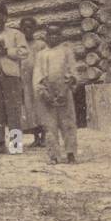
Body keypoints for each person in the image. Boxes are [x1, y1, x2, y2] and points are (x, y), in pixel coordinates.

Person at [33, 23, 80, 164]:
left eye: (56, 34)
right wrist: (43, 91)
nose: (53, 37)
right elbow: (38, 74)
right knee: (50, 126)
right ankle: (53, 155)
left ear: (61, 36)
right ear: (45, 36)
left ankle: (71, 153)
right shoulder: (41, 55)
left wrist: (68, 85)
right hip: (48, 93)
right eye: (50, 34)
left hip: (64, 92)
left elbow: (73, 71)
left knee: (68, 123)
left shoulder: (66, 52)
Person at [18, 16, 46, 149]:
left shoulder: (40, 45)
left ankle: (45, 137)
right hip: (25, 81)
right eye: (24, 28)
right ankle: (36, 137)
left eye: (30, 27)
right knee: (30, 109)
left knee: (41, 107)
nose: (27, 30)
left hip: (38, 79)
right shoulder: (19, 46)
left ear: (34, 29)